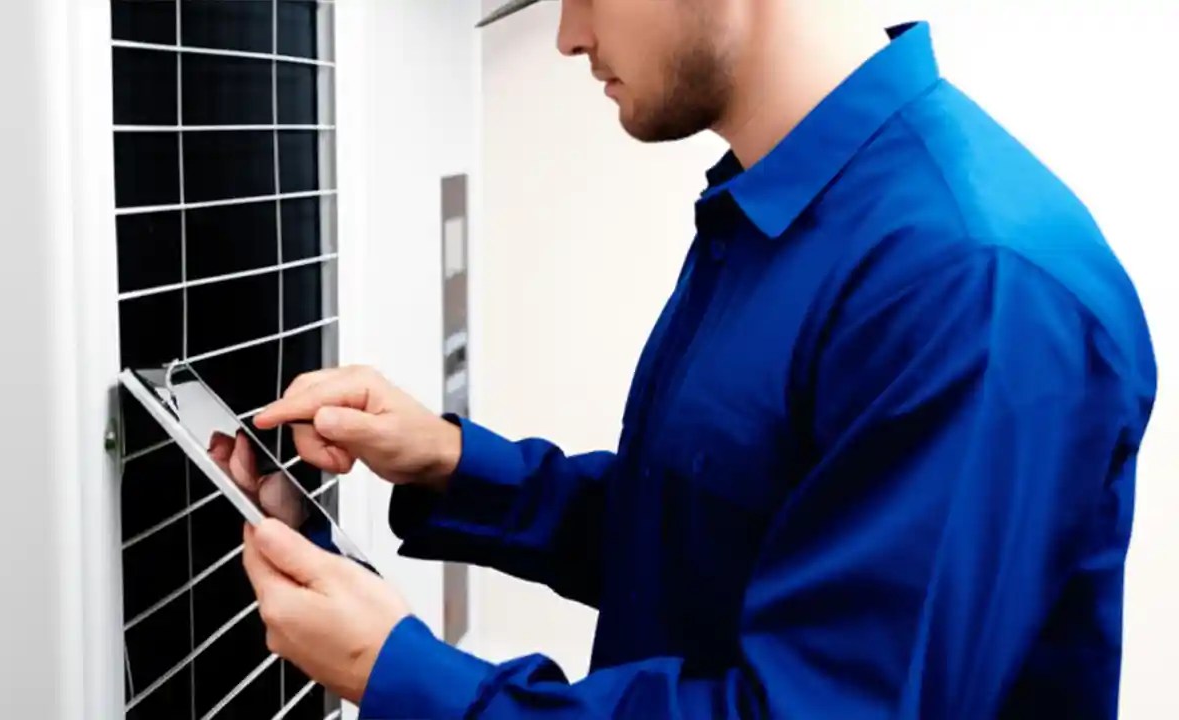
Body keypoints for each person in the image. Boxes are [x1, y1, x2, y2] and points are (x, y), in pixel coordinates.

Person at [230, 1, 1158, 717]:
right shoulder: (779, 215)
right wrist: (447, 459)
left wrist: (404, 676)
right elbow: (698, 544)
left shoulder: (972, 286)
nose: (568, 34)